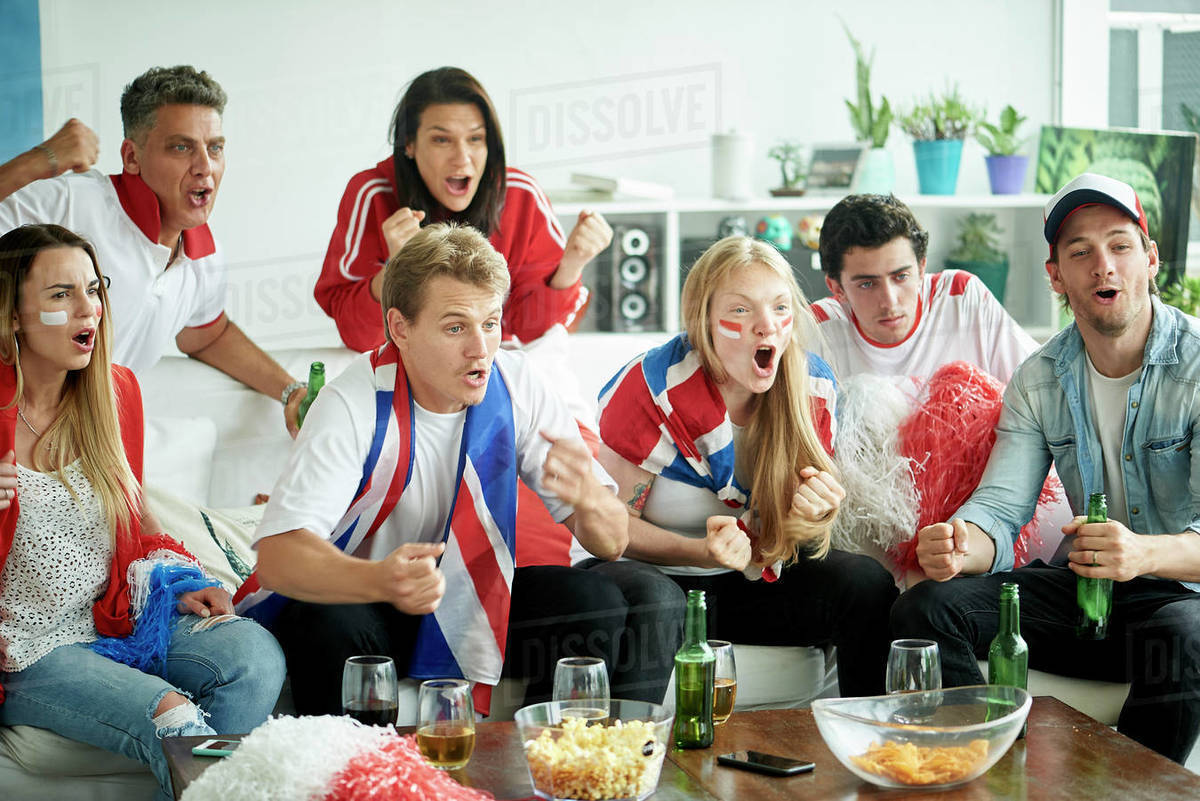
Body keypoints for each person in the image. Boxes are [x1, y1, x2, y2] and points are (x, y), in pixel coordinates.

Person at [237, 222, 676, 714]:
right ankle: (363, 779)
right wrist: (382, 580)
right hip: (364, 594)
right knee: (329, 622)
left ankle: (543, 765)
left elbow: (611, 543)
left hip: (466, 597)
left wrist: (592, 500)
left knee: (595, 600)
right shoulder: (351, 402)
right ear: (400, 328)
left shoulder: (516, 382)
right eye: (455, 327)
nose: (480, 349)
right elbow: (278, 559)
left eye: (490, 324)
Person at [890, 173, 1200, 763]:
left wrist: (1141, 554)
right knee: (925, 607)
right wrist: (962, 544)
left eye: (1119, 245)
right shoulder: (1039, 379)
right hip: (1087, 601)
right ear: (1056, 275)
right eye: (1079, 253)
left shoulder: (1197, 367)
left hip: (1180, 603)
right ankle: (993, 774)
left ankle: (1129, 789)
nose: (1102, 266)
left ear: (1151, 258)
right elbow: (1001, 510)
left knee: (1188, 634)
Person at [0, 224, 284, 801]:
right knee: (171, 714)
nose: (90, 308)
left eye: (94, 288)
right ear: (12, 316)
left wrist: (176, 581)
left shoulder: (115, 392)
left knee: (252, 655)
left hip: (110, 619)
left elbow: (137, 522)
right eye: (61, 295)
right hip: (25, 649)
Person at [593, 235, 898, 697]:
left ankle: (870, 742)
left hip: (749, 581)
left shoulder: (811, 387)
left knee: (865, 582)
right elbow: (613, 529)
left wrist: (811, 518)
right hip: (653, 578)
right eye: (740, 310)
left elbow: (787, 543)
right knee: (660, 600)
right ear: (703, 320)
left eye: (779, 308)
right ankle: (633, 758)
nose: (765, 327)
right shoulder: (650, 387)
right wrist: (702, 553)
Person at [0, 66, 310, 435]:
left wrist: (290, 391)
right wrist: (43, 159)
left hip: (90, 444)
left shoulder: (205, 257)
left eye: (215, 148)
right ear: (131, 157)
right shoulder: (70, 202)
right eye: (181, 147)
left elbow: (207, 334)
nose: (204, 167)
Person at [316, 65, 611, 353]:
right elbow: (358, 338)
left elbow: (529, 332)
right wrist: (395, 268)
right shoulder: (373, 193)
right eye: (441, 140)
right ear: (409, 144)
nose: (462, 158)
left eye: (475, 139)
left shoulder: (521, 195)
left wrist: (572, 265)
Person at [814, 193, 1037, 391]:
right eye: (867, 284)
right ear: (837, 288)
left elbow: (1039, 389)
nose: (890, 302)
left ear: (921, 268)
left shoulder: (961, 297)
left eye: (901, 277)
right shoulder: (818, 329)